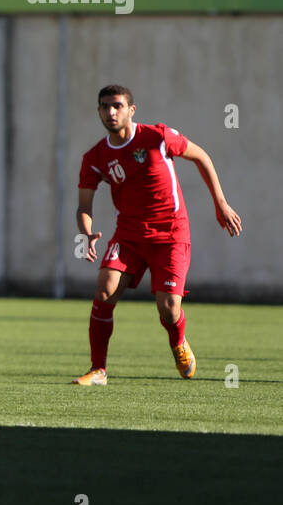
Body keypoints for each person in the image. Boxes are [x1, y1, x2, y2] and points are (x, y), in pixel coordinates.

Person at [73, 85, 242, 385]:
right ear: (98, 111)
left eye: (117, 106)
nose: (111, 112)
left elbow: (201, 156)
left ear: (131, 110)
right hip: (129, 235)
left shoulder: (157, 137)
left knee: (168, 308)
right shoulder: (95, 157)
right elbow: (83, 206)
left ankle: (178, 342)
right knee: (104, 289)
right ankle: (98, 369)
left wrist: (221, 203)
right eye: (104, 107)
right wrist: (86, 234)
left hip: (171, 233)